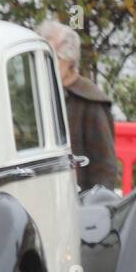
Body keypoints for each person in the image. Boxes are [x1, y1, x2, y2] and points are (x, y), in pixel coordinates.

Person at [38, 20, 120, 191]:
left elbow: (104, 167)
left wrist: (95, 208)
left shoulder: (90, 101)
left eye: (50, 57)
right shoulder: (40, 93)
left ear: (68, 60)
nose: (42, 64)